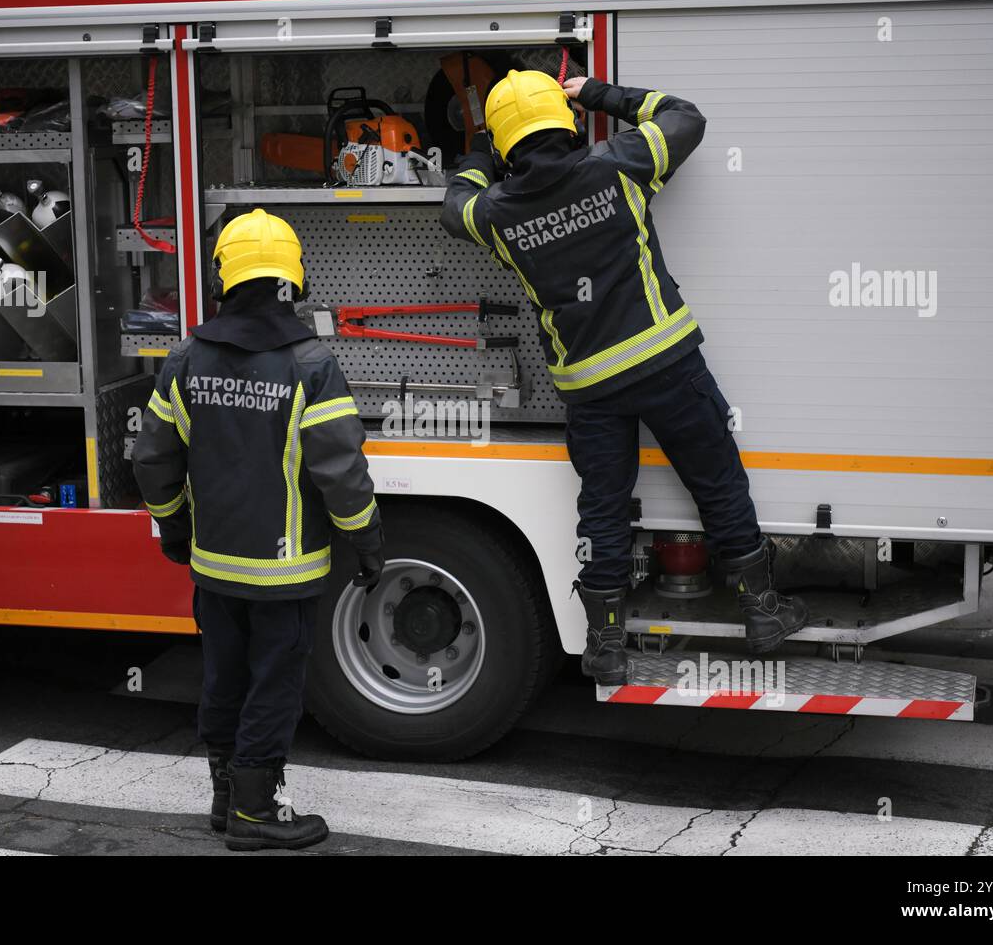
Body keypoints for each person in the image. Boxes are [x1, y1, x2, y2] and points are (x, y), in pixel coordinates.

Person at [439, 70, 807, 682]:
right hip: (666, 361)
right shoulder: (618, 165)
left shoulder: (497, 214)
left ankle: (606, 646)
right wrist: (596, 91)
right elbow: (686, 116)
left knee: (604, 512)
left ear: (509, 147)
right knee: (717, 483)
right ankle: (763, 611)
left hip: (590, 387)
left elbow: (455, 208)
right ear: (569, 124)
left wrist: (478, 152)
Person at [132, 208, 384, 851]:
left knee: (223, 674)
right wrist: (367, 541)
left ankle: (224, 796)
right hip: (288, 571)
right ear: (291, 279)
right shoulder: (310, 362)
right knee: (275, 684)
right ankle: (255, 813)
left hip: (215, 567)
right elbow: (341, 469)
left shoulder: (187, 355)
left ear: (225, 276)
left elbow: (153, 457)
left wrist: (174, 530)